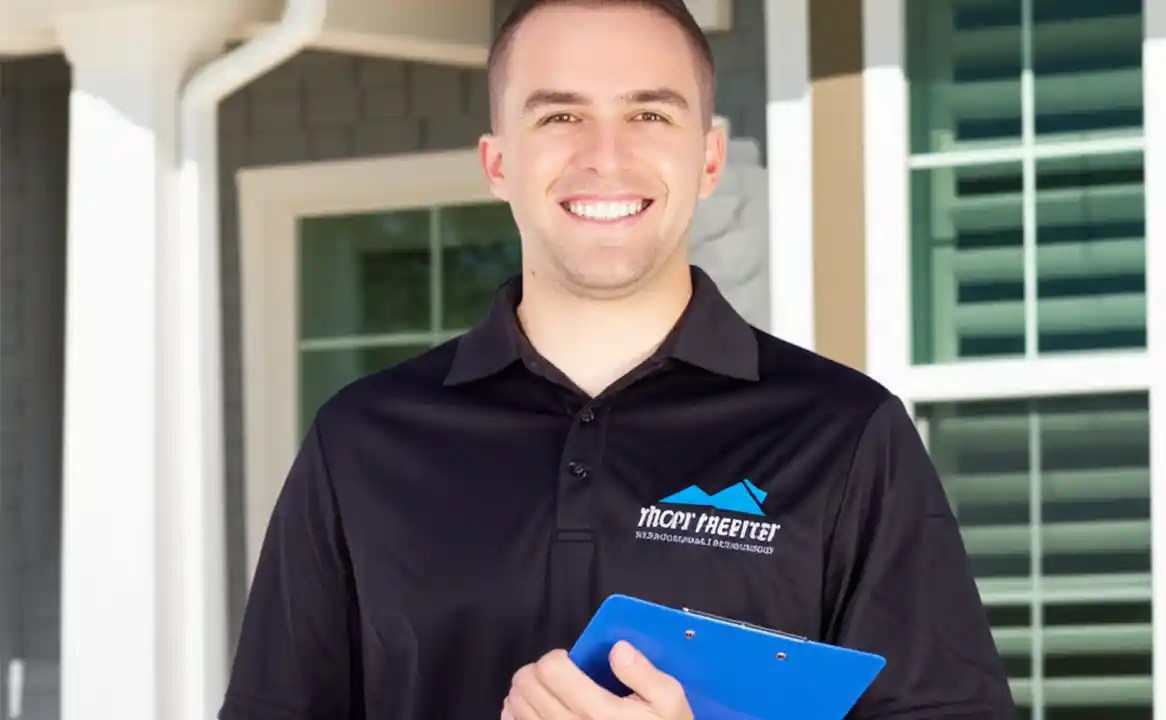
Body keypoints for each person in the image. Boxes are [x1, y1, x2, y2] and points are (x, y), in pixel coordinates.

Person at [219, 1, 1018, 718]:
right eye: (561, 117)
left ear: (708, 159)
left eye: (648, 114)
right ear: (498, 163)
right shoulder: (363, 440)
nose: (606, 155)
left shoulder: (843, 434)